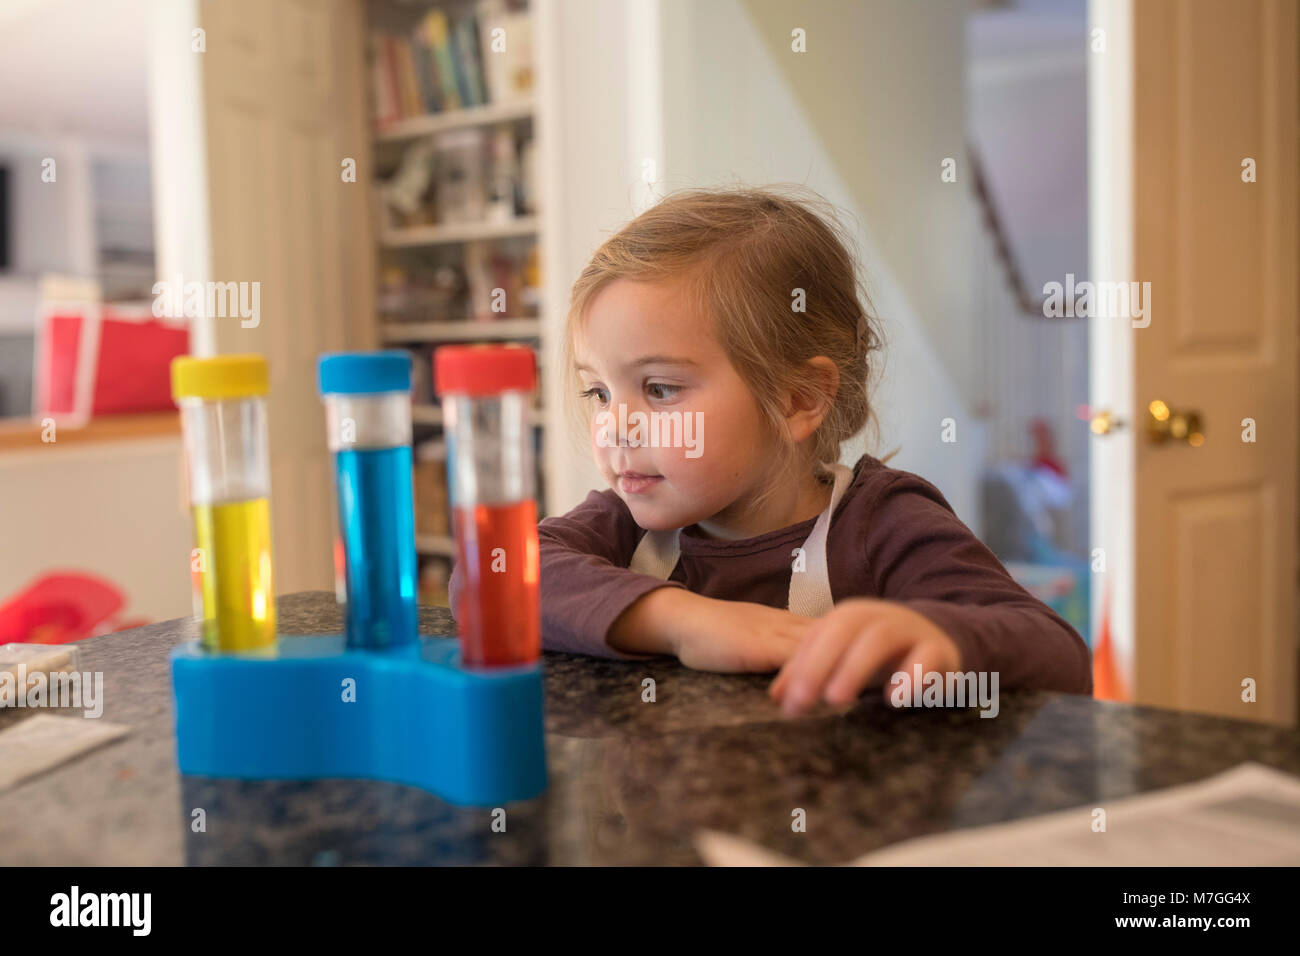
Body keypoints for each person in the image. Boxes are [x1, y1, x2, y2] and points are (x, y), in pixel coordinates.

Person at [472, 186, 1092, 716]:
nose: (616, 428)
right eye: (600, 393)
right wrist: (688, 622)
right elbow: (490, 578)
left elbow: (1059, 657)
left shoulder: (879, 523)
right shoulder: (625, 523)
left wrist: (943, 637)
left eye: (659, 389)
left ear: (798, 399)